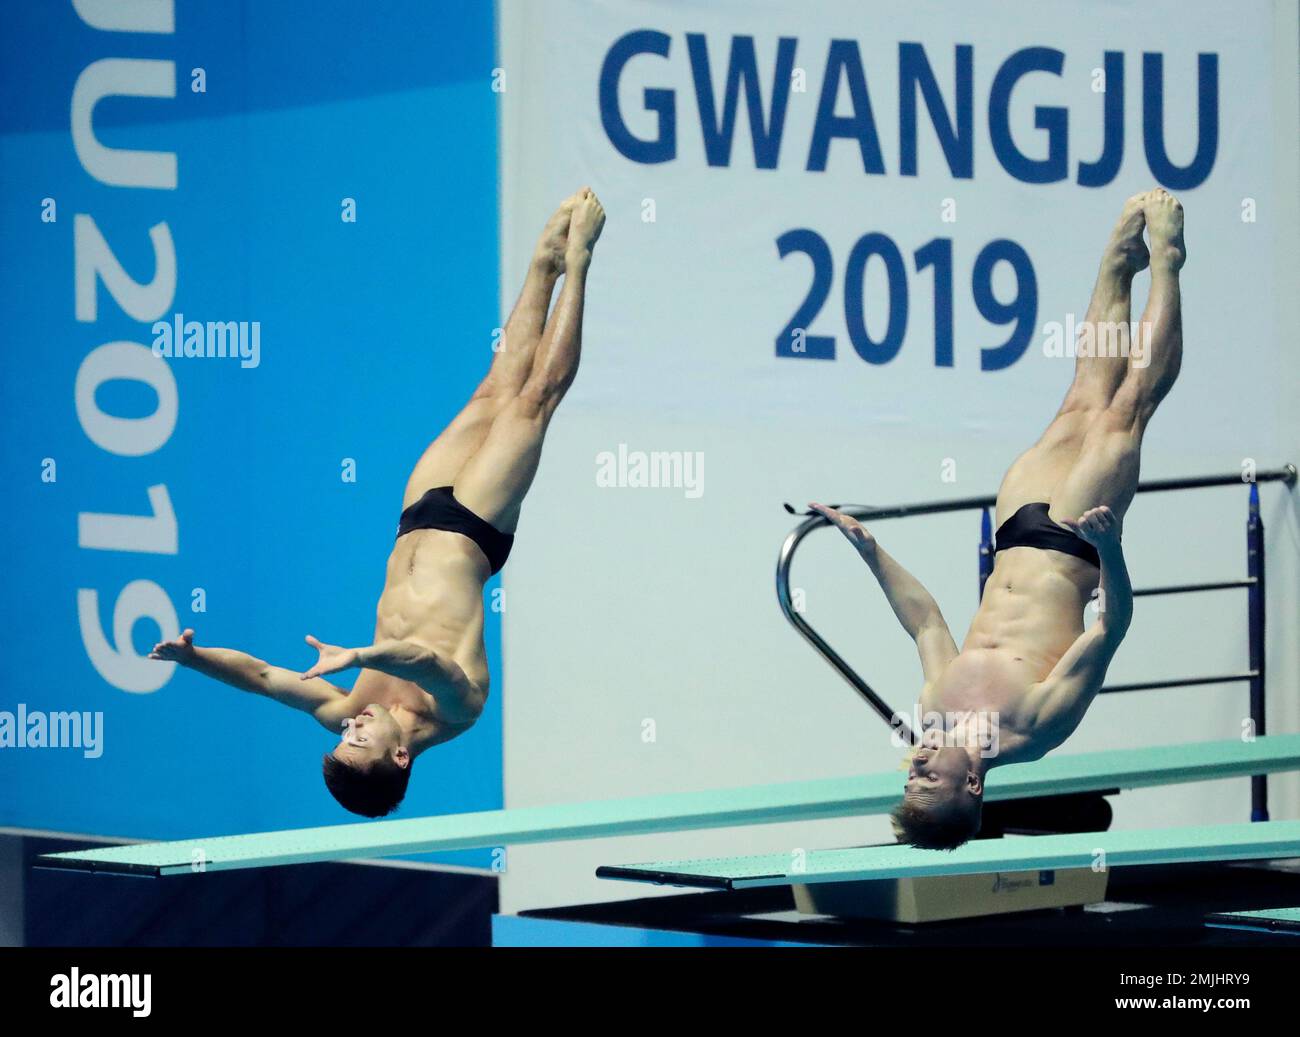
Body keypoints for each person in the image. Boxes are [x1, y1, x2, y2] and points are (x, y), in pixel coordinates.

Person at [150, 188, 606, 817]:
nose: (351, 726)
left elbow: (259, 677)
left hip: (416, 516)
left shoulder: (344, 706)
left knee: (493, 388)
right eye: (359, 741)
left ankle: (544, 262)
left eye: (344, 736)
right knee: (533, 400)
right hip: (475, 529)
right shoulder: (457, 712)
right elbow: (423, 660)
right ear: (400, 758)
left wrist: (195, 659)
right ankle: (580, 262)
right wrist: (359, 656)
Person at [812, 189, 1185, 849]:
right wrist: (1112, 547)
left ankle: (1117, 259)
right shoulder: (1036, 728)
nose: (917, 763)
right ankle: (1170, 261)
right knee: (1128, 405)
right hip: (1076, 540)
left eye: (911, 779)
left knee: (1082, 396)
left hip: (1016, 525)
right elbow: (1113, 627)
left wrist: (871, 551)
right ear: (973, 786)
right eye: (929, 779)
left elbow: (925, 620)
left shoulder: (933, 712)